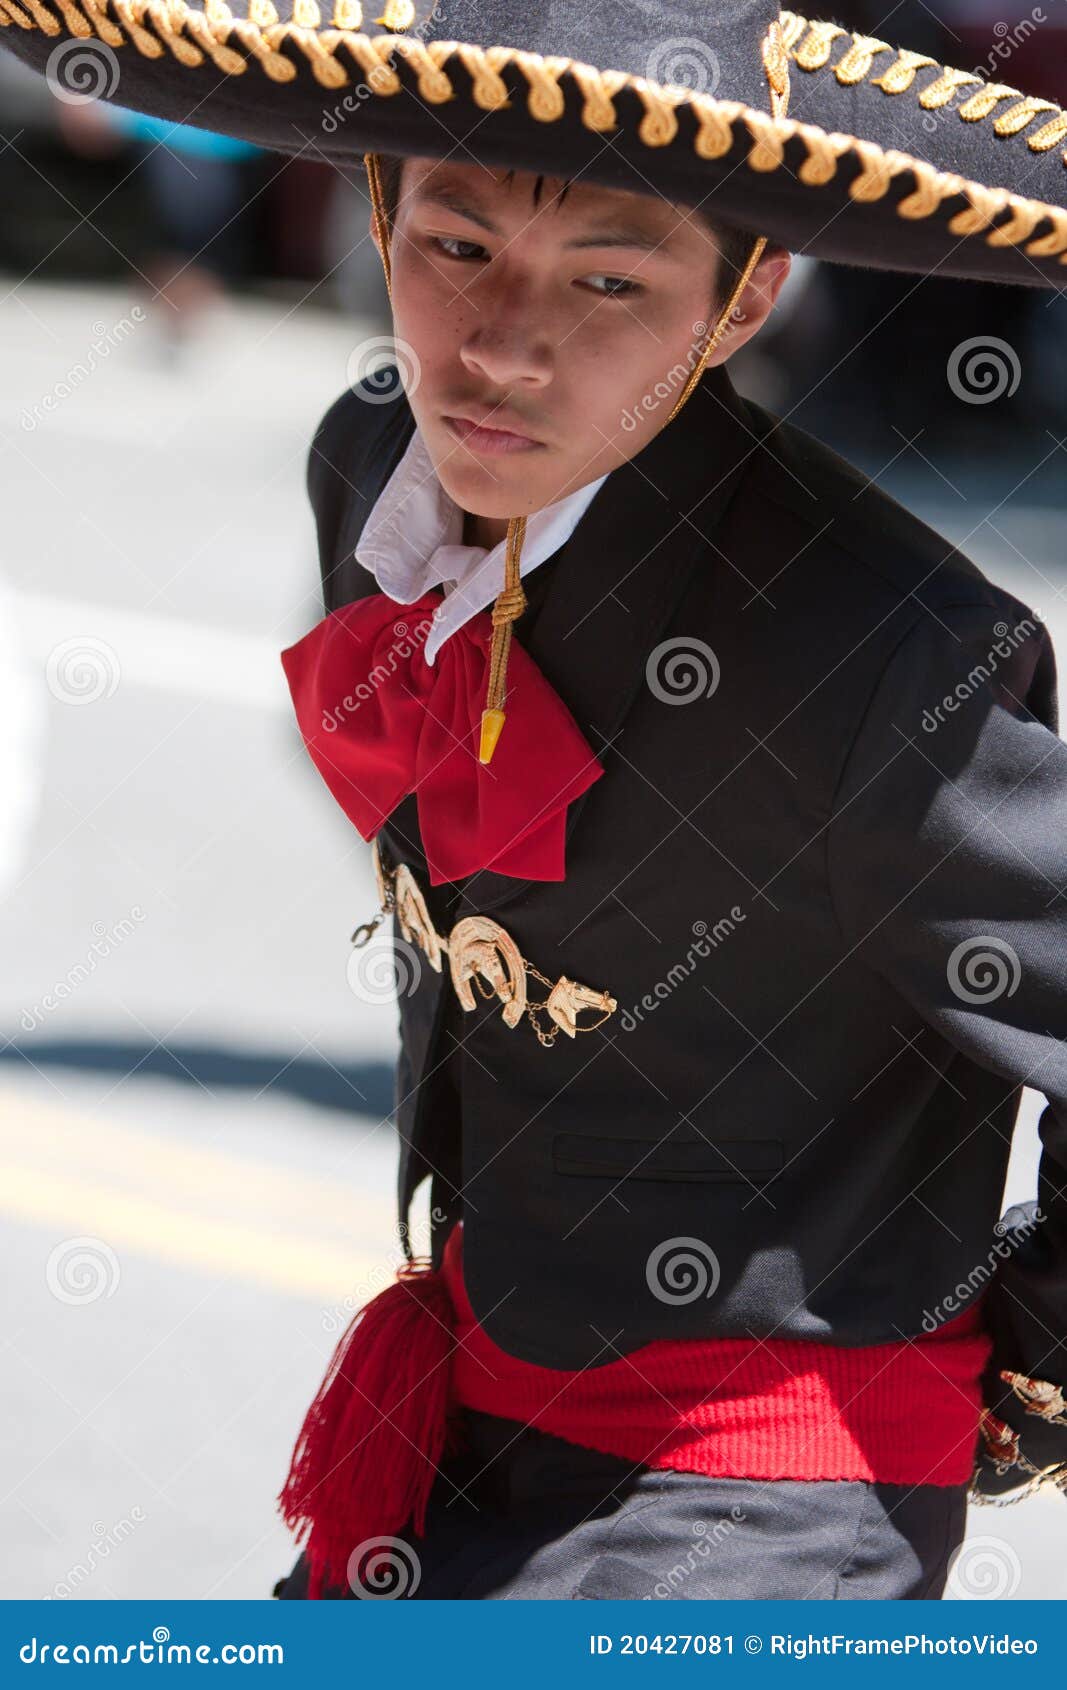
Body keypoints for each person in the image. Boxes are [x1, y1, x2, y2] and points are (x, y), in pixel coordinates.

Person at [5, 0, 1066, 1604]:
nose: (499, 346)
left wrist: (1030, 1358)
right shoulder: (373, 470)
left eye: (610, 282)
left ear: (747, 293)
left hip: (759, 1503)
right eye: (454, 244)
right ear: (375, 209)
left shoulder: (891, 659)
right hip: (461, 1426)